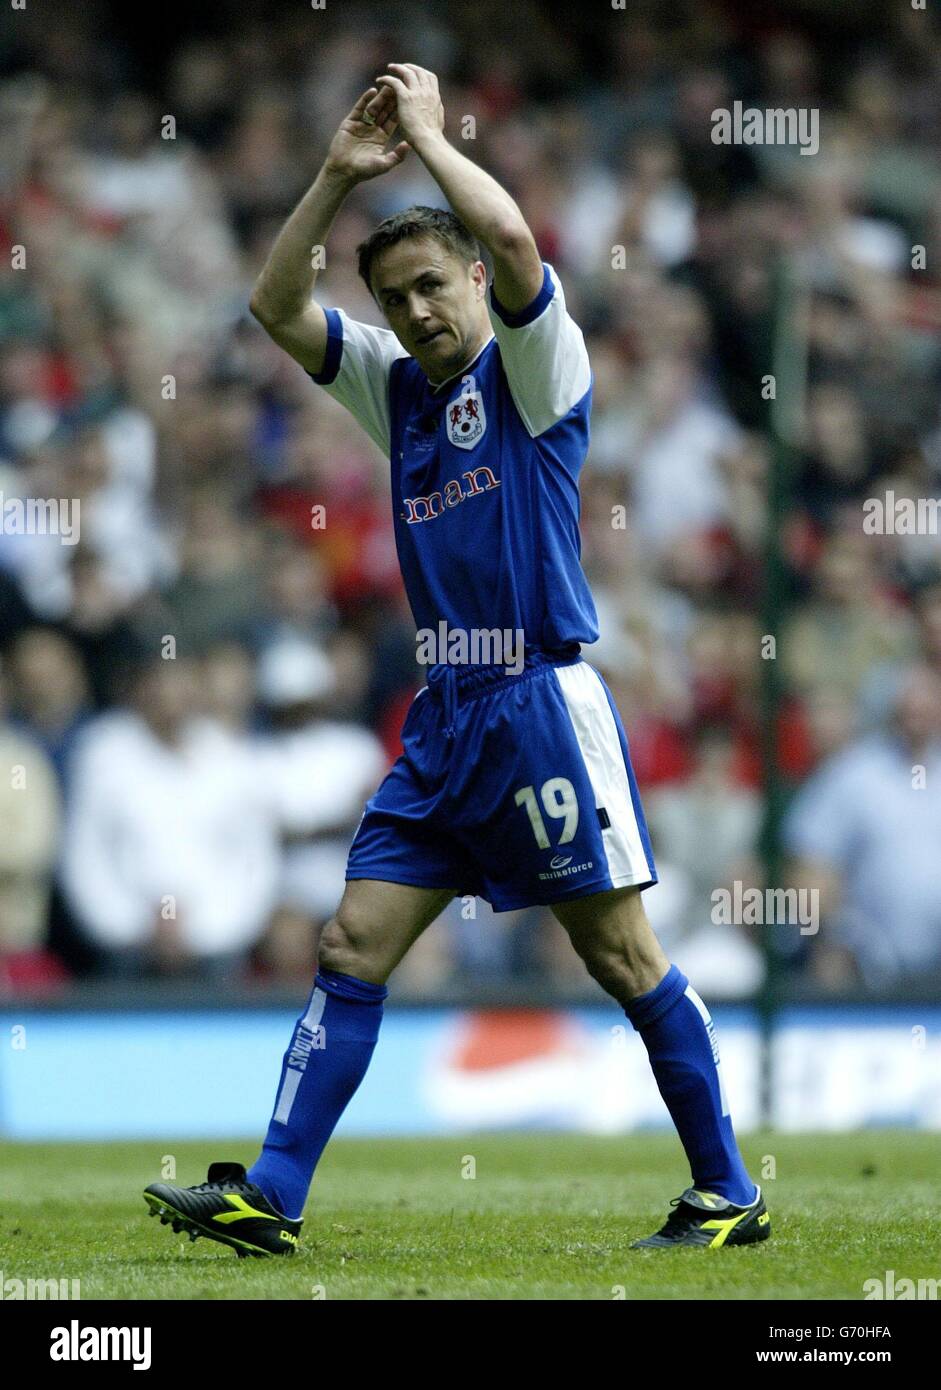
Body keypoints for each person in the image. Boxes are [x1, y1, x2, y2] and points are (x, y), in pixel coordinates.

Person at [143, 64, 768, 1256]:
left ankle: (726, 1189)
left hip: (538, 702)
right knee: (350, 944)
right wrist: (337, 175)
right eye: (397, 295)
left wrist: (428, 138)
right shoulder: (399, 389)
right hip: (443, 722)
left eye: (434, 285)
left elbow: (515, 232)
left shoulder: (535, 372)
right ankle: (271, 1193)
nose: (420, 311)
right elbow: (275, 307)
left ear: (473, 281)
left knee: (621, 955)